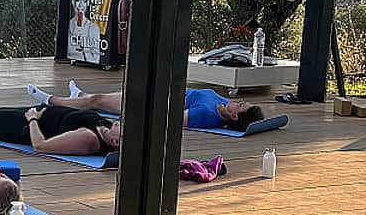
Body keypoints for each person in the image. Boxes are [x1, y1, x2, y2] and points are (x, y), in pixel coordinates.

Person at [26, 80, 265, 131]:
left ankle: (50, 101)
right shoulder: (223, 104)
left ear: (234, 118)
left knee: (97, 102)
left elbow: (168, 118)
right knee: (98, 98)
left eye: (241, 106)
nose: (239, 101)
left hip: (150, 101)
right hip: (156, 89)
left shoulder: (206, 116)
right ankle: (79, 95)